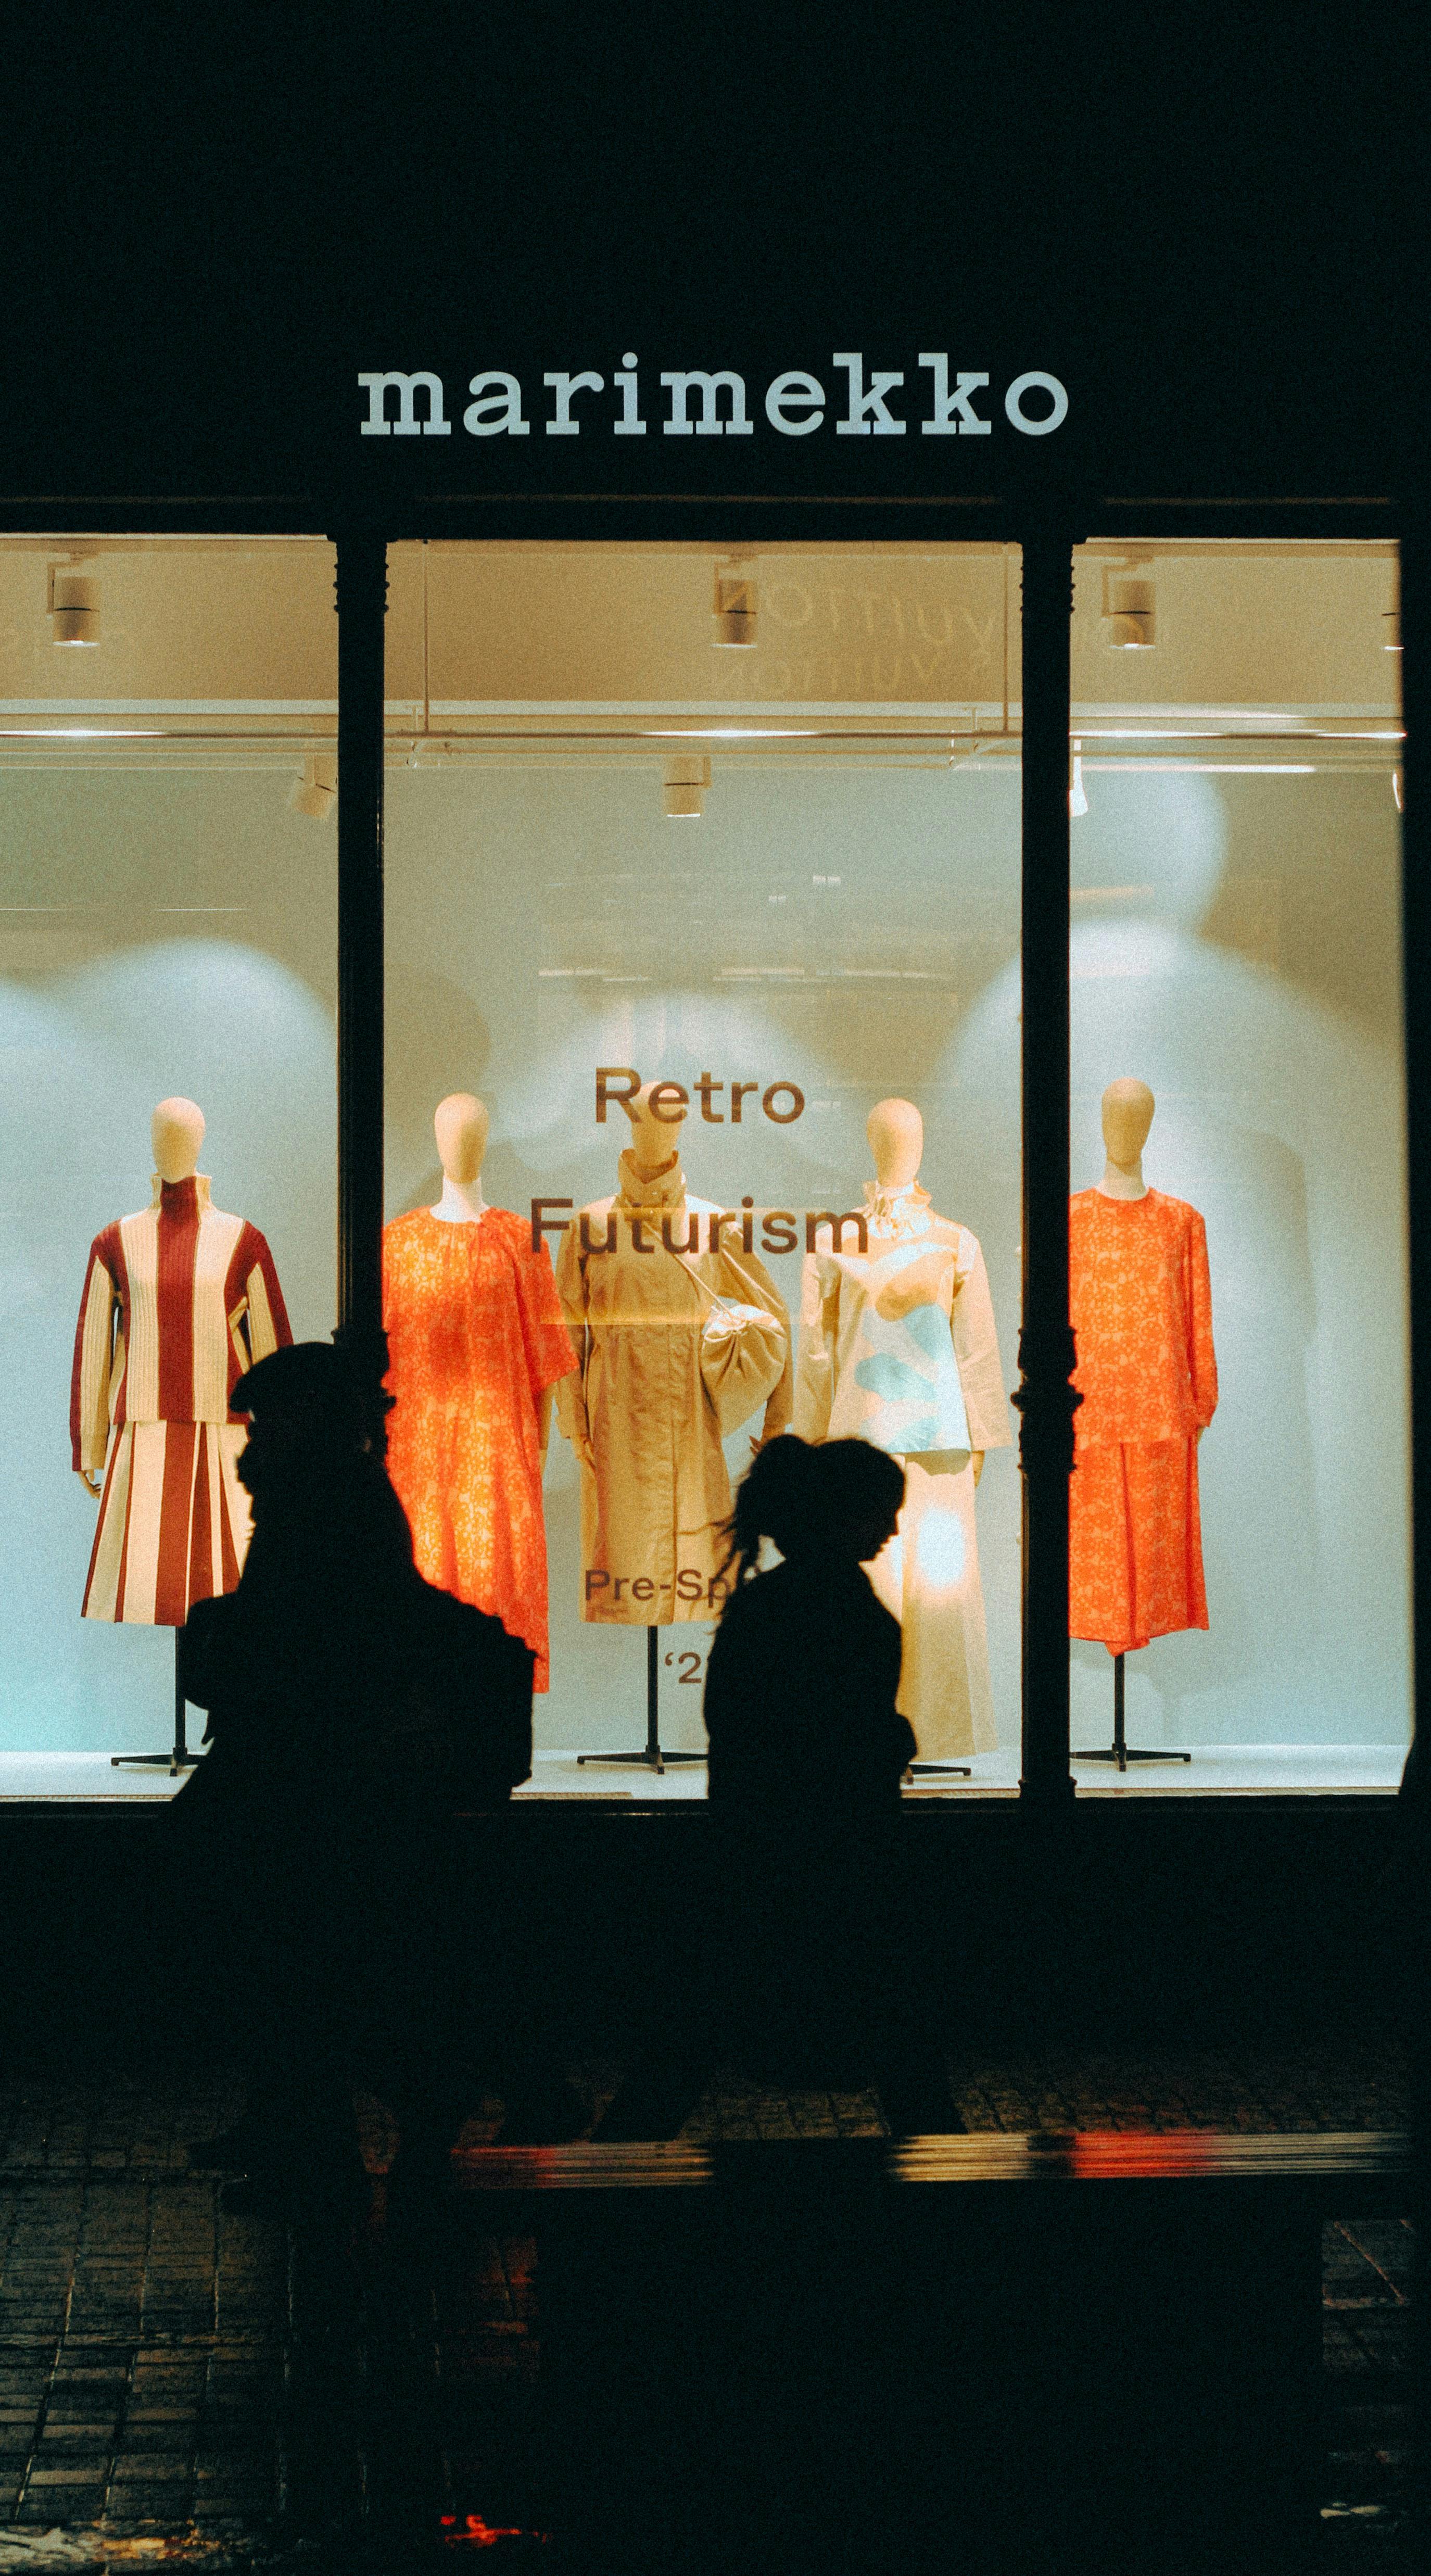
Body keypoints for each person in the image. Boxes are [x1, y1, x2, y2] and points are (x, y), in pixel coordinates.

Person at [176, 1340, 537, 2202]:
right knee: (321, 1953)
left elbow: (315, 1626)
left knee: (292, 1950)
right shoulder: (341, 1488)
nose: (254, 1438)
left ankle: (343, 2129)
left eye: (266, 1421)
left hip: (308, 1765)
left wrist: (230, 1633)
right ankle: (319, 2126)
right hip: (325, 1760)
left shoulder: (317, 1498)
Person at [703, 1436, 919, 2088]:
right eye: (882, 1512)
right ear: (843, 1515)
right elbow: (846, 1729)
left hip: (762, 1838)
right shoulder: (841, 1604)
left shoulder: (765, 1603)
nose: (892, 1528)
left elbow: (733, 1721)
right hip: (837, 1839)